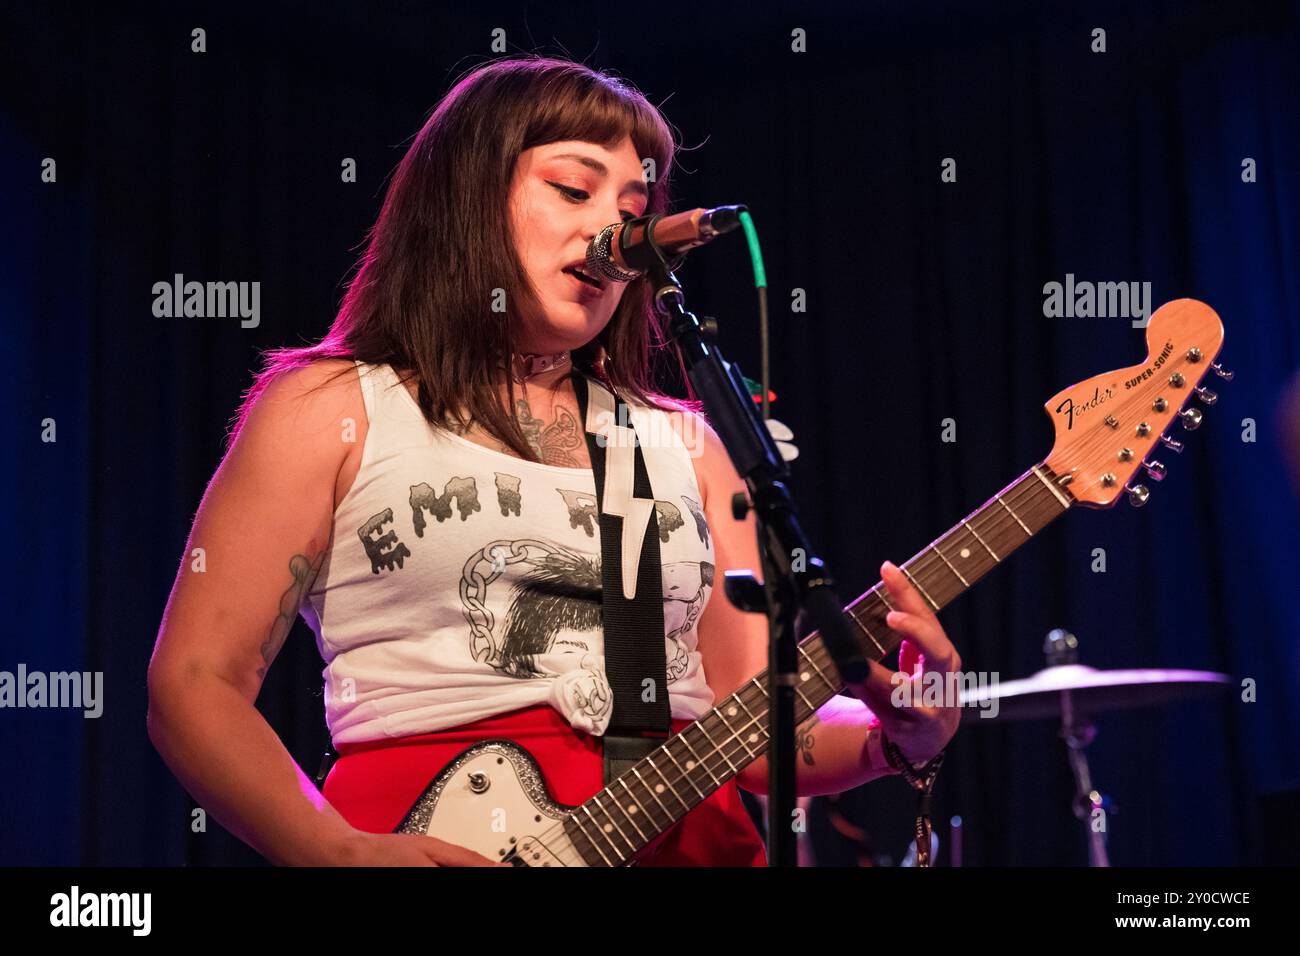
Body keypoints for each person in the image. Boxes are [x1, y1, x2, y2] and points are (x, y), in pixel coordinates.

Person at [146, 55, 962, 867]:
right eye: (574, 190)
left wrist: (895, 737)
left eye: (632, 207)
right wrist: (335, 851)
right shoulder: (333, 407)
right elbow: (194, 682)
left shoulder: (684, 444)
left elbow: (753, 733)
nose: (610, 230)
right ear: (466, 197)